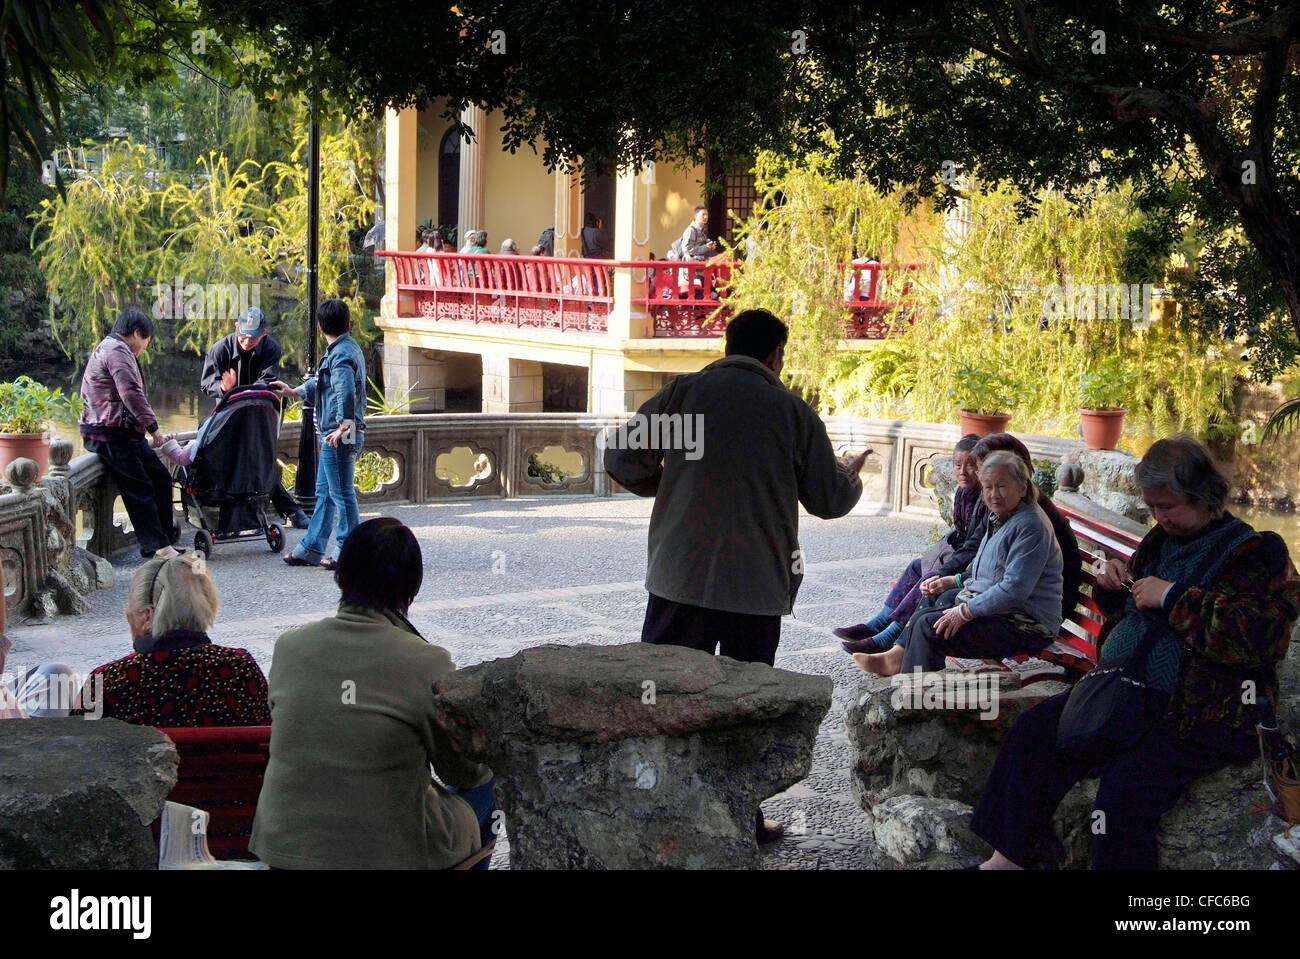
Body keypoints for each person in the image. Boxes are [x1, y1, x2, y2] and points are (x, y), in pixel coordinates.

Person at [970, 437, 1300, 870]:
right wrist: (1114, 589)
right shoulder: (1161, 540)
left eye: (1169, 507)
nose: (1160, 517)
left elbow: (1261, 636)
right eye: (1152, 508)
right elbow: (1135, 611)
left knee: (1124, 791)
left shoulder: (1258, 551)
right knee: (1035, 732)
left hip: (1206, 712)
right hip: (1130, 688)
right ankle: (1006, 860)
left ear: (1206, 496)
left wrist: (1174, 597)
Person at [604, 308, 866, 843]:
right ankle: (739, 820)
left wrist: (670, 483)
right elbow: (829, 499)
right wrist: (850, 474)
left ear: (729, 345)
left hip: (681, 579)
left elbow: (620, 458)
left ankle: (651, 810)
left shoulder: (684, 396)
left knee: (664, 696)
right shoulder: (793, 413)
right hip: (755, 586)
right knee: (744, 707)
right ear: (775, 355)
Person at [249, 518, 497, 869]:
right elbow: (462, 772)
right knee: (489, 783)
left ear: (341, 575)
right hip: (386, 856)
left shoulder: (290, 647)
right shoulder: (426, 661)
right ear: (412, 586)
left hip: (283, 849)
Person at [854, 451, 1064, 677]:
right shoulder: (1003, 516)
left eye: (1002, 486)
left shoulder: (1030, 527)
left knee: (930, 627)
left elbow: (1013, 590)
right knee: (934, 602)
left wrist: (964, 612)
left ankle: (917, 699)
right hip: (1006, 612)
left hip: (1027, 625)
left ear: (1022, 487)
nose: (993, 494)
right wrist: (953, 580)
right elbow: (989, 567)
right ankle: (900, 665)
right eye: (987, 487)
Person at [73, 555, 271, 726]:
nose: (126, 612)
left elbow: (74, 749)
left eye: (129, 602)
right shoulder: (241, 669)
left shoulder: (109, 680)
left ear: (147, 616)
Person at [836, 434, 983, 652]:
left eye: (970, 465)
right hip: (960, 555)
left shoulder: (985, 498)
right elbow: (960, 533)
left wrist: (944, 570)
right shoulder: (963, 492)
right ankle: (877, 624)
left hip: (972, 565)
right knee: (917, 566)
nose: (962, 471)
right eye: (957, 465)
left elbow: (974, 545)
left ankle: (888, 636)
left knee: (930, 577)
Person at [918, 432, 1082, 625]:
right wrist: (954, 579)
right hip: (1007, 593)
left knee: (933, 617)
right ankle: (892, 641)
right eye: (982, 471)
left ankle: (893, 646)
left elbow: (1013, 585)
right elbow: (983, 555)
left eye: (987, 467)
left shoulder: (1026, 515)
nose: (982, 477)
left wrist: (961, 602)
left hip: (1034, 608)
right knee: (931, 596)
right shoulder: (1005, 504)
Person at [271, 298, 366, 570]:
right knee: (325, 493)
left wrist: (343, 426)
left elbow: (345, 391)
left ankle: (348, 550)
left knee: (342, 494)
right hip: (340, 432)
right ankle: (311, 548)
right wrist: (294, 392)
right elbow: (322, 381)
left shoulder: (341, 354)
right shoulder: (345, 348)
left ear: (320, 325)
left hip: (341, 434)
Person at [79, 309, 180, 560]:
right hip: (107, 433)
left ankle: (161, 540)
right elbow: (131, 394)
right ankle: (160, 547)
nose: (145, 347)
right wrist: (154, 429)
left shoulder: (117, 349)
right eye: (147, 340)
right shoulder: (116, 350)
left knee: (160, 478)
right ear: (137, 333)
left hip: (123, 434)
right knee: (140, 487)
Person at [199, 307, 309, 528]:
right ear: (236, 327)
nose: (247, 342)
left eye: (254, 337)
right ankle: (290, 510)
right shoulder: (219, 350)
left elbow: (267, 381)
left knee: (261, 458)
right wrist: (223, 387)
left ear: (264, 334)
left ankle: (289, 510)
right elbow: (206, 384)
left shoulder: (271, 349)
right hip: (226, 418)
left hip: (258, 415)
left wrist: (241, 392)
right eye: (244, 335)